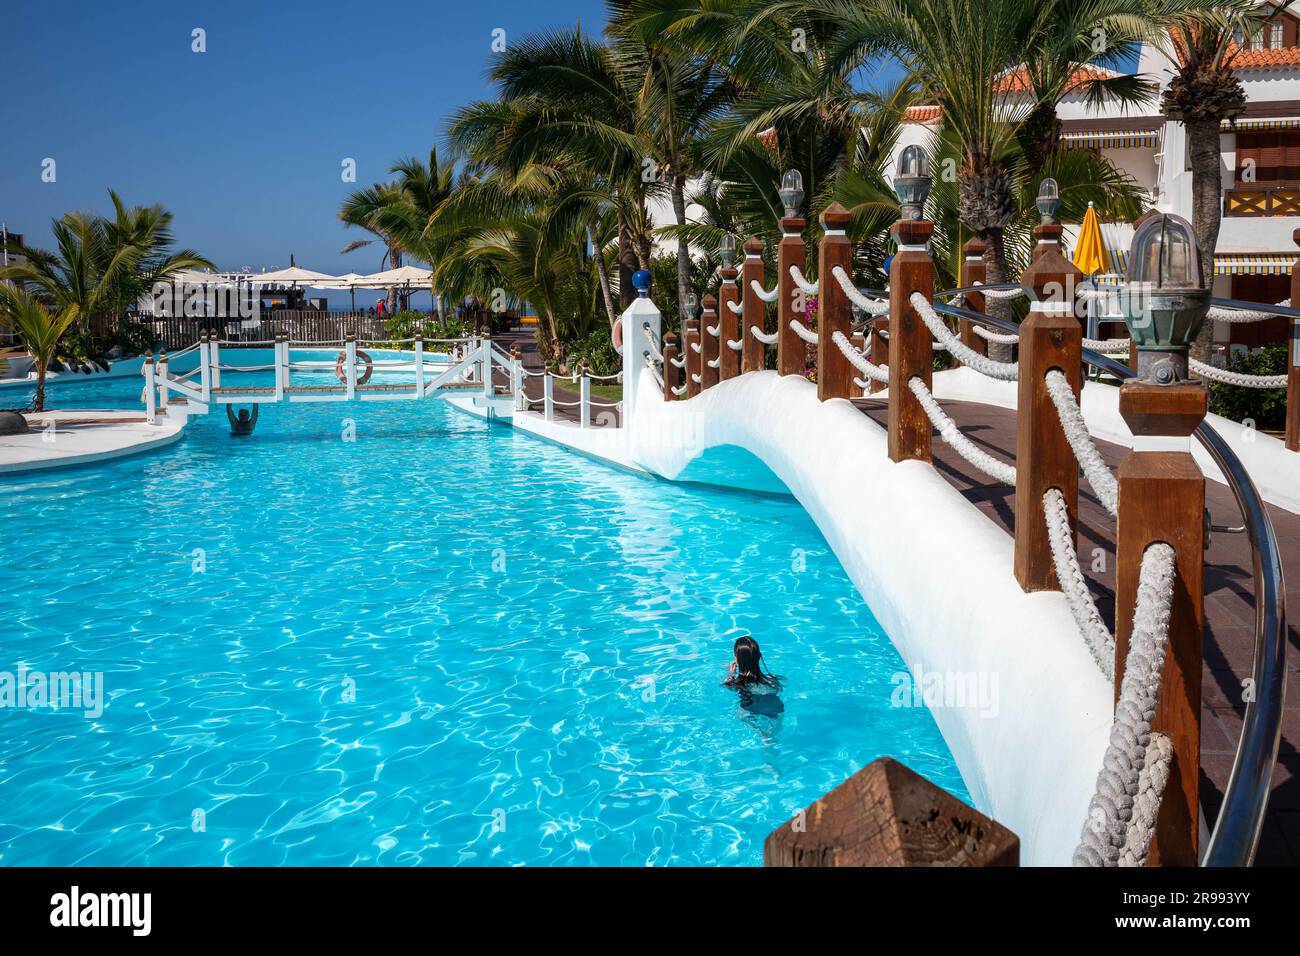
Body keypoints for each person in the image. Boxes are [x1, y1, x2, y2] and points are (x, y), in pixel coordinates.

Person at [724, 636, 784, 714]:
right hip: (777, 710)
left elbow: (727, 685)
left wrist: (731, 674)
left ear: (737, 660)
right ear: (759, 657)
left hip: (750, 713)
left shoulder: (734, 684)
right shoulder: (773, 679)